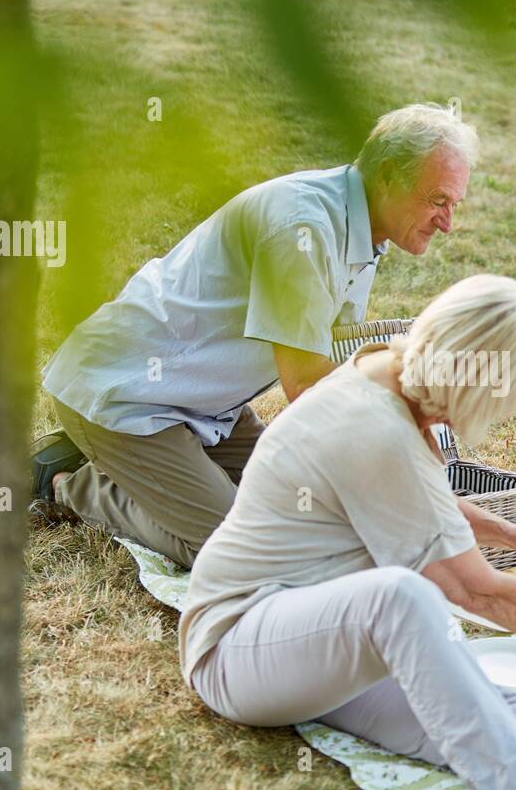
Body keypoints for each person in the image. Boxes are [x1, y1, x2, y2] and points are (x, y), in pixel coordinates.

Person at [180, 275, 516, 790]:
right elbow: (474, 589)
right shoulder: (375, 428)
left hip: (321, 648)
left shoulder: (389, 371)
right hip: (236, 650)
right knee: (405, 596)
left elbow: (412, 496)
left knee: (499, 712)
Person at [28, 103, 478, 567]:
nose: (447, 222)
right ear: (387, 175)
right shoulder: (305, 229)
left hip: (204, 403)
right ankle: (75, 482)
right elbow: (307, 387)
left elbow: (338, 360)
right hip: (125, 394)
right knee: (240, 553)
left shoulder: (364, 227)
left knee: (304, 508)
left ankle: (142, 469)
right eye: (438, 200)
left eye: (454, 205)